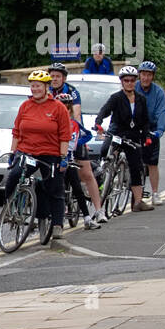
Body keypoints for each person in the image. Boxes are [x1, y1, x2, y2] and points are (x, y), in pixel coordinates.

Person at [3, 70, 71, 243]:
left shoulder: (58, 108)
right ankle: (10, 209)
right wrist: (13, 152)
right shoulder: (25, 106)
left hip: (51, 154)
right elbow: (17, 131)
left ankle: (57, 225)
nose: (35, 89)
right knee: (14, 176)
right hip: (28, 152)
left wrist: (63, 156)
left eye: (38, 86)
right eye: (32, 85)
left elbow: (64, 135)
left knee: (54, 188)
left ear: (46, 87)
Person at [49, 63, 106, 226]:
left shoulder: (71, 91)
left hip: (71, 132)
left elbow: (76, 113)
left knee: (86, 173)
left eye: (58, 76)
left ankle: (98, 210)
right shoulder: (47, 91)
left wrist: (76, 136)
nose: (54, 79)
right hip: (53, 135)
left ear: (64, 78)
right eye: (52, 76)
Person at [94, 65, 153, 212]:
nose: (129, 83)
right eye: (126, 80)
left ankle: (138, 202)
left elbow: (145, 120)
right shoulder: (116, 98)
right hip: (117, 132)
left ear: (135, 81)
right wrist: (98, 122)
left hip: (132, 135)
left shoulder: (141, 99)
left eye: (132, 80)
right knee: (105, 149)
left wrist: (146, 136)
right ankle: (103, 177)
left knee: (136, 166)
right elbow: (105, 110)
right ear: (122, 82)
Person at [136, 61, 165, 204]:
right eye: (143, 74)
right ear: (139, 75)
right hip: (135, 128)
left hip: (152, 129)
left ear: (152, 76)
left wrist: (159, 130)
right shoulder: (133, 87)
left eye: (149, 75)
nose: (145, 78)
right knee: (133, 160)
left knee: (152, 163)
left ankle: (155, 193)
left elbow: (162, 112)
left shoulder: (158, 92)